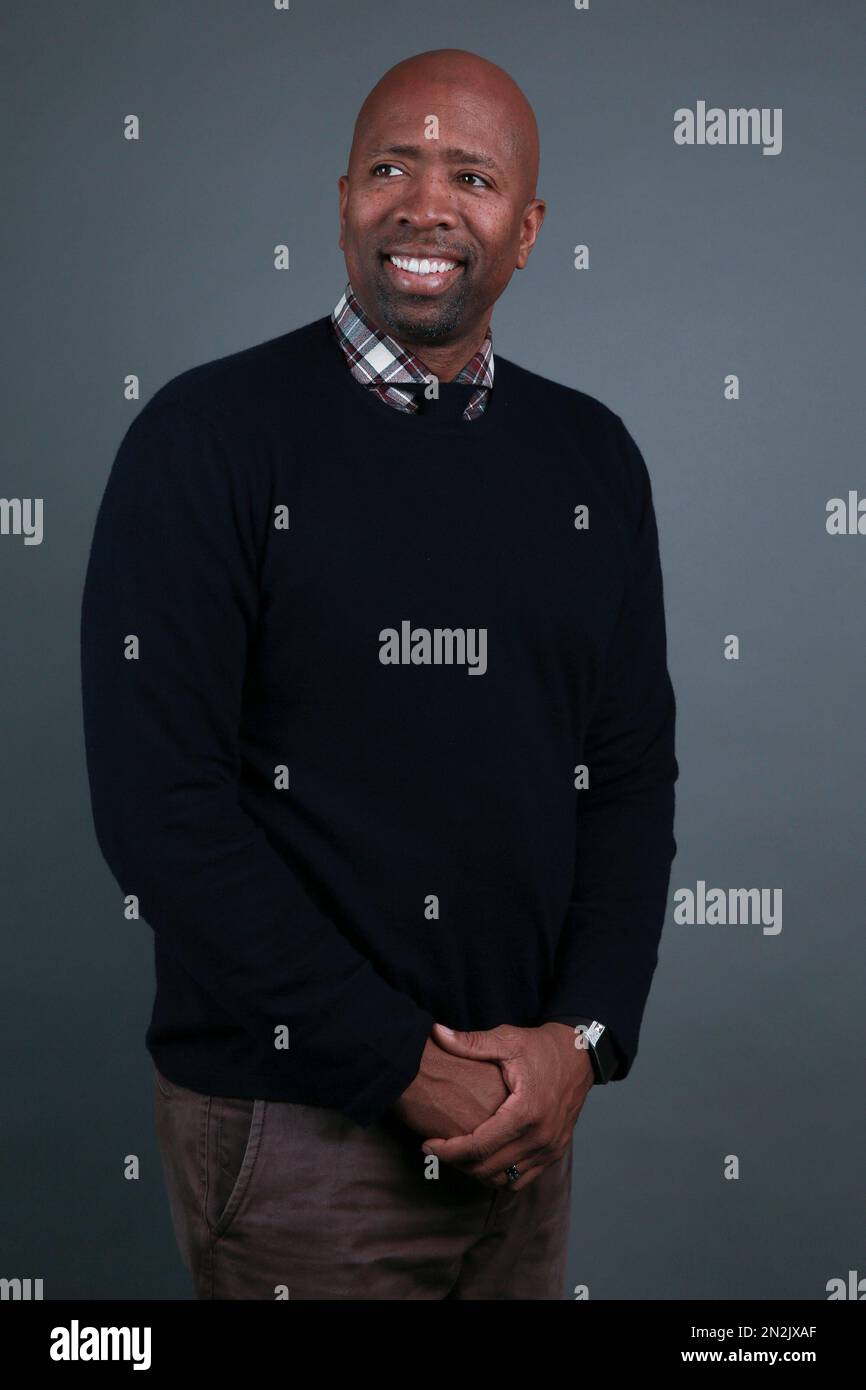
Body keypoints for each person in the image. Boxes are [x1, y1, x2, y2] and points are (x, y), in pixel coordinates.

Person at [80, 47, 678, 1300]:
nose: (424, 205)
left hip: (523, 1132)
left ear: (525, 230)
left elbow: (625, 780)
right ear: (342, 194)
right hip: (292, 1129)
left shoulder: (592, 461)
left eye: (470, 175)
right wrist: (404, 1061)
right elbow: (162, 816)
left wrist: (580, 1042)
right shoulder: (204, 441)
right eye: (390, 168)